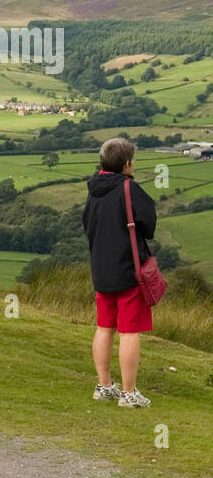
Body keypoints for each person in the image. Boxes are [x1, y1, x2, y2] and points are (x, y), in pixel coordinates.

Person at [83, 137, 156, 408]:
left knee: (104, 327)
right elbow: (148, 225)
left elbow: (87, 224)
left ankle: (104, 386)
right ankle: (128, 393)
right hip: (128, 270)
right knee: (129, 331)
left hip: (101, 268)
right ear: (126, 164)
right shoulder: (130, 188)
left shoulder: (93, 190)